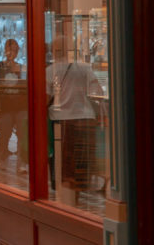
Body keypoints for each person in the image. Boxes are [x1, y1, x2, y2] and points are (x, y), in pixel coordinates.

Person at [46, 35, 104, 193]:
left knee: (65, 162)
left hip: (62, 119)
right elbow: (97, 92)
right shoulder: (84, 68)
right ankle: (81, 194)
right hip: (85, 117)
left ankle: (67, 196)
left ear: (54, 50)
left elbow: (45, 98)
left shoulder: (50, 71)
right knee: (83, 159)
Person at [0, 38, 28, 173]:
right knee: (4, 133)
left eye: (14, 50)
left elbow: (26, 87)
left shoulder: (22, 68)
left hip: (20, 106)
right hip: (5, 106)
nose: (11, 53)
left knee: (23, 135)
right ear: (5, 51)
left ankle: (21, 163)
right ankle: (2, 159)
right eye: (9, 50)